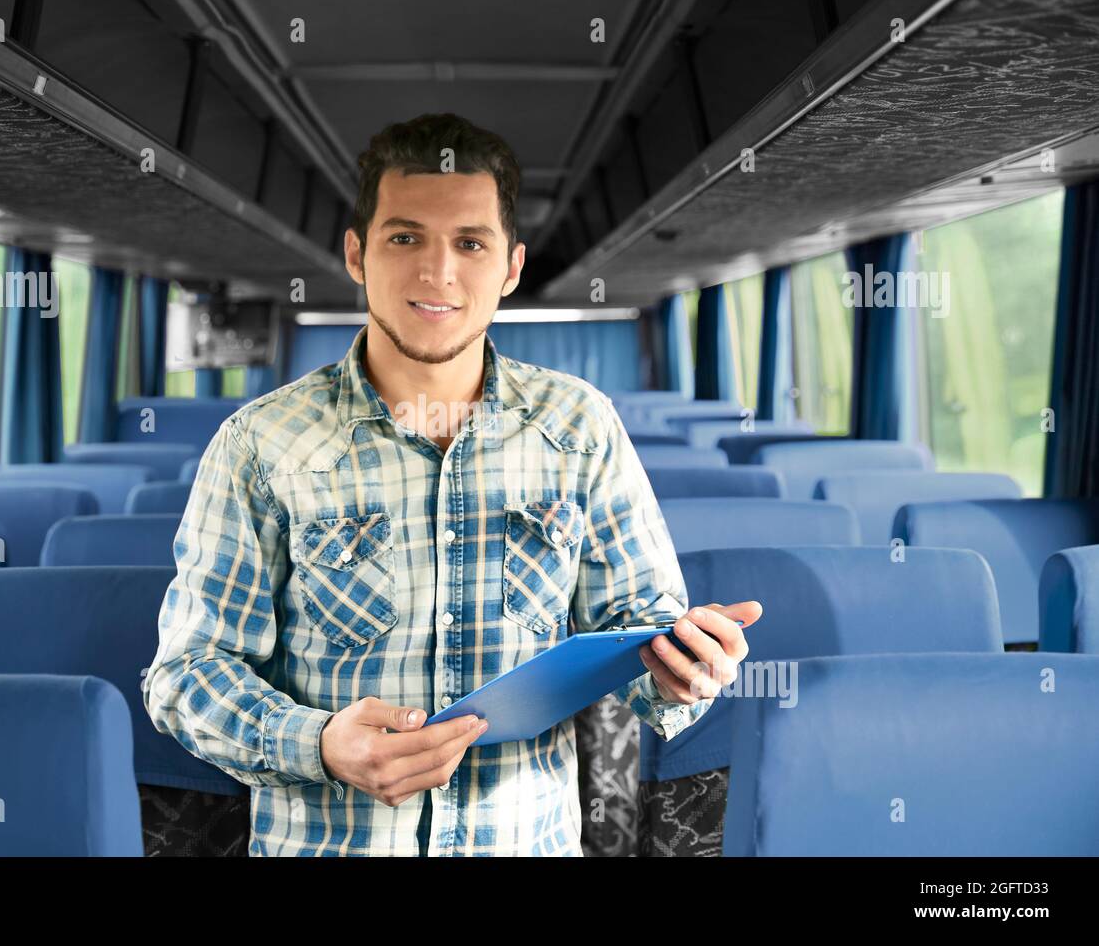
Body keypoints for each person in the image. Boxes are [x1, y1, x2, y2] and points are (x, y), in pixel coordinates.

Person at [144, 112, 758, 856]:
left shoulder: (581, 429)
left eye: (470, 243)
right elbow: (186, 674)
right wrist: (320, 742)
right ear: (356, 254)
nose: (438, 272)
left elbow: (640, 633)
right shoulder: (259, 445)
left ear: (511, 267)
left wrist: (684, 671)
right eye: (405, 238)